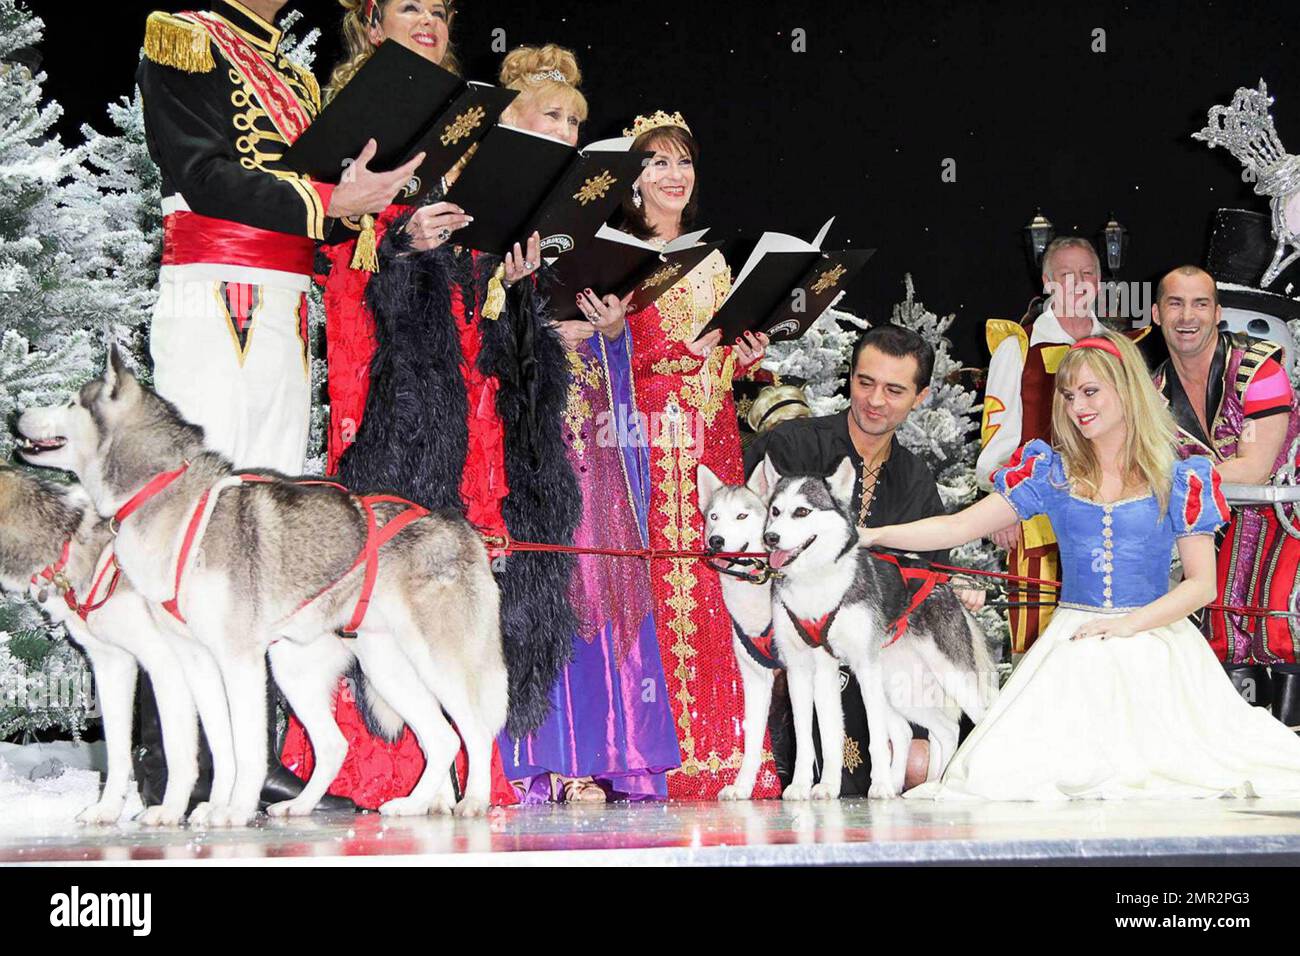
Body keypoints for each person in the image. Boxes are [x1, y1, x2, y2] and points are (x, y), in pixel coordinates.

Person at [282, 20, 581, 809]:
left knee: (460, 553)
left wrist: (509, 279)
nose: (430, 20)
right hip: (384, 348)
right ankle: (373, 763)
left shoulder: (468, 127)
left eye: (441, 9)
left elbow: (476, 264)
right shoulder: (352, 98)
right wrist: (400, 242)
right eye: (410, 4)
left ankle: (463, 755)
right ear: (369, 18)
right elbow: (332, 237)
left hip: (462, 364)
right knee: (385, 539)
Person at [136, 0, 417, 809]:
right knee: (196, 527)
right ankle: (174, 762)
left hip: (289, 300)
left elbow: (320, 199)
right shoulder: (184, 37)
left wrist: (369, 208)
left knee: (261, 534)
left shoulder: (292, 73)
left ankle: (245, 753)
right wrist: (331, 202)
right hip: (212, 289)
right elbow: (203, 173)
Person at [864, 332, 1300, 800]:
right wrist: (873, 536)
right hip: (1071, 640)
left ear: (1127, 389)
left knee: (1191, 768)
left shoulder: (1180, 477)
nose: (1077, 407)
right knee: (1007, 775)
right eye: (1069, 396)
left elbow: (1202, 587)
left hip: (1156, 642)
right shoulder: (1050, 472)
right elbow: (956, 528)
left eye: (1090, 392)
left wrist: (1128, 626)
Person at [488, 48, 682, 803]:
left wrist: (611, 327)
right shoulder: (492, 202)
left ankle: (615, 751)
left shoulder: (596, 205)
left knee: (604, 570)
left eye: (575, 118)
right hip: (528, 422)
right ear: (514, 121)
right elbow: (467, 323)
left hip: (596, 410)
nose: (567, 129)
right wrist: (520, 313)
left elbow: (613, 300)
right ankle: (546, 756)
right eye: (553, 116)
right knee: (547, 574)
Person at [746, 324, 981, 794]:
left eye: (895, 390)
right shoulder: (793, 446)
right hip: (799, 650)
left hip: (878, 655)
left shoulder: (914, 479)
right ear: (849, 377)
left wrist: (958, 587)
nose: (875, 400)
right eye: (865, 382)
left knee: (919, 762)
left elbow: (925, 574)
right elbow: (745, 538)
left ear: (920, 396)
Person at [1151, 266, 1300, 680]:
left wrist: (1176, 481)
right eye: (1175, 304)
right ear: (1156, 314)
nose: (1188, 317)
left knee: (1278, 619)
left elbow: (1254, 471)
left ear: (1217, 313)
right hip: (1221, 524)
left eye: (1200, 304)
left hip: (1290, 516)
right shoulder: (1153, 393)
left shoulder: (1261, 369)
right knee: (1216, 631)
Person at [978, 237, 1109, 655]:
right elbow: (998, 430)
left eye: (1087, 273)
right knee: (1036, 638)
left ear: (1100, 281)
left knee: (1102, 630)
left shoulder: (1117, 349)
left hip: (1107, 512)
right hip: (1037, 517)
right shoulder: (1019, 346)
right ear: (1048, 282)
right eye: (1066, 275)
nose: (1078, 283)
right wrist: (1003, 503)